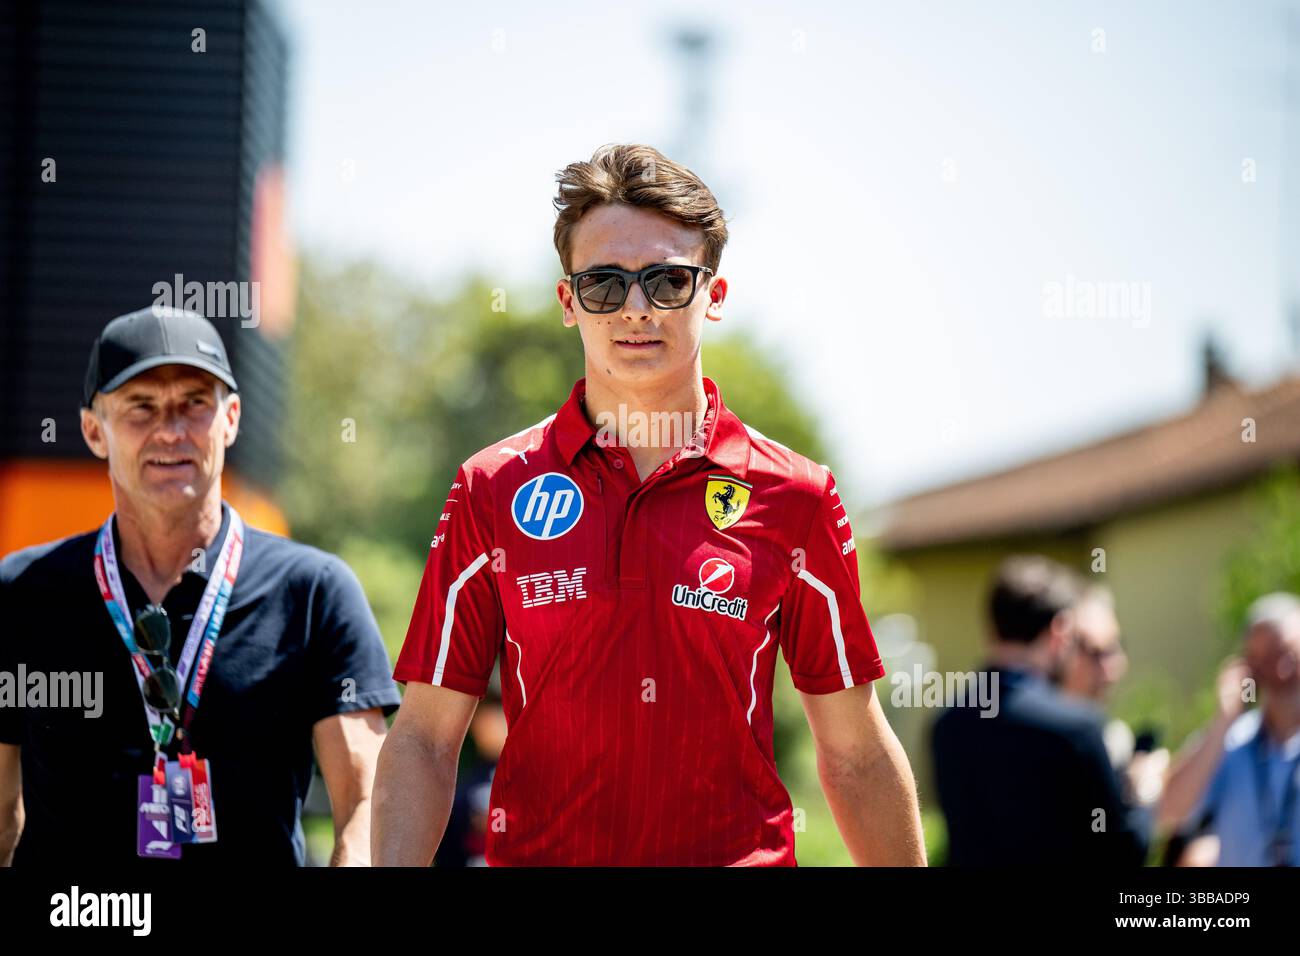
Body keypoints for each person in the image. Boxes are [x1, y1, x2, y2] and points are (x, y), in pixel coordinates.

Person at [372, 143, 925, 866]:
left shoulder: (798, 495)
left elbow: (854, 751)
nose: (635, 309)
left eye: (668, 281)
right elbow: (423, 737)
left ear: (713, 297)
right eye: (604, 284)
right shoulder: (492, 488)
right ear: (569, 302)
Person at [0, 306, 401, 866]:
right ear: (95, 430)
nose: (171, 429)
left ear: (231, 418)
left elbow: (367, 802)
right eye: (141, 407)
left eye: (195, 403)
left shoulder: (313, 591)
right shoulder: (20, 592)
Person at [931, 555, 1151, 865]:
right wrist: (1143, 798)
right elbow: (1122, 852)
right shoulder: (1077, 726)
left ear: (993, 627)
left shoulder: (947, 724)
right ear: (1059, 630)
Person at [1158, 592, 1300, 866]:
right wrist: (1224, 718)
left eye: (1289, 655)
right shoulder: (1232, 740)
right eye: (1266, 659)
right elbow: (1169, 812)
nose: (1281, 671)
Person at [1056, 585, 1167, 808]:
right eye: (1097, 653)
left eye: (1116, 648)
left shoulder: (1112, 737)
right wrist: (1140, 794)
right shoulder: (1036, 742)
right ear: (1059, 646)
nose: (1114, 668)